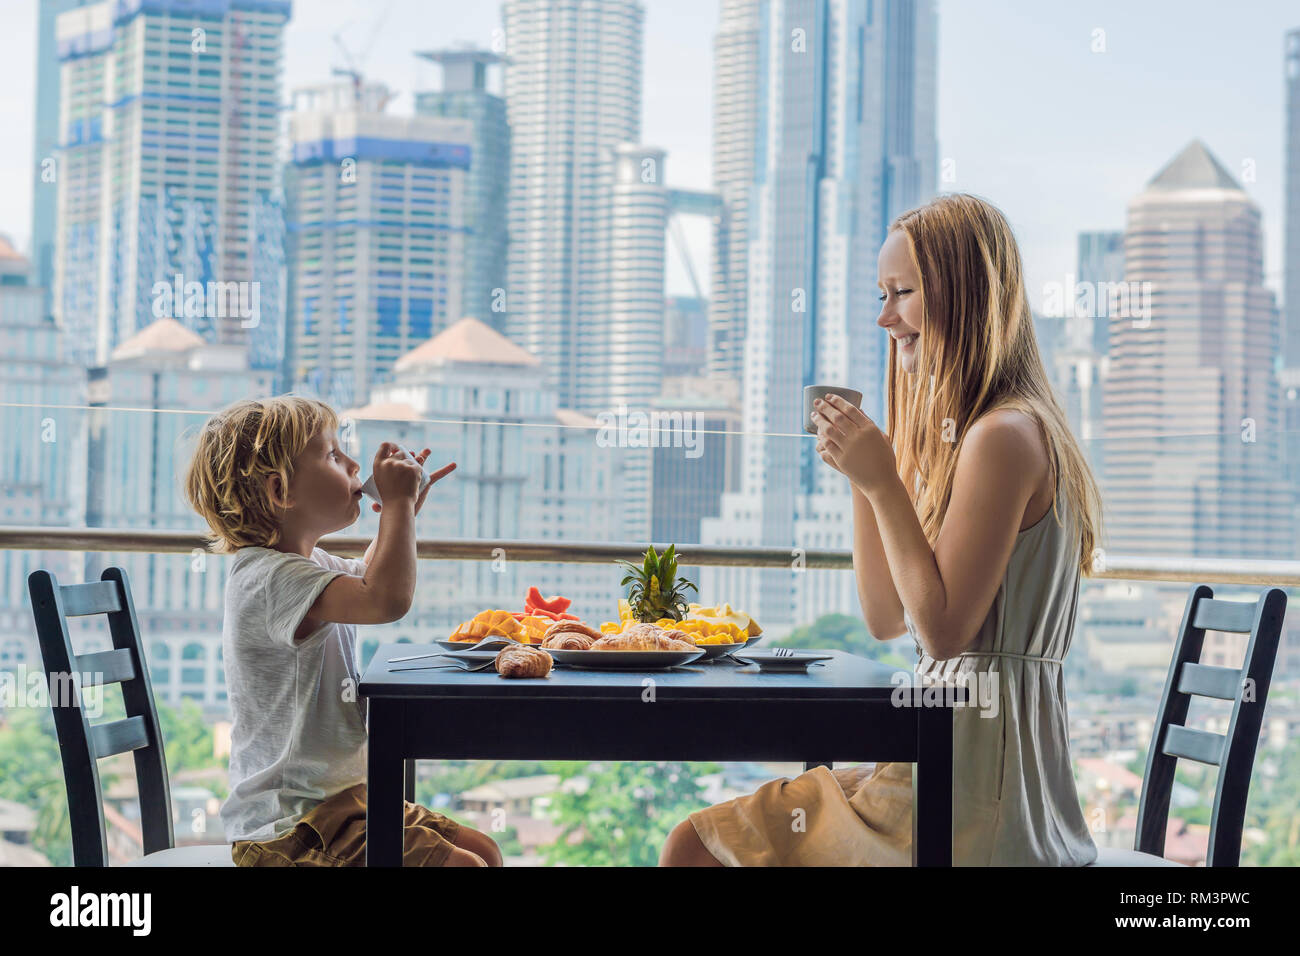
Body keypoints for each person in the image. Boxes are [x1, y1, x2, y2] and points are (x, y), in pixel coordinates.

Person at [660, 193, 1104, 866]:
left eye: (901, 292)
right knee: (715, 835)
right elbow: (886, 618)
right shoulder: (1003, 431)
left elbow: (943, 631)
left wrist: (882, 482)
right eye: (880, 293)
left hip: (972, 797)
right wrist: (870, 478)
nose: (884, 315)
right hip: (963, 766)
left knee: (693, 848)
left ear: (964, 297)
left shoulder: (1002, 437)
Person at [184, 396, 502, 866]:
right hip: (289, 827)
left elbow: (371, 575)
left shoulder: (303, 566)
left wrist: (405, 511)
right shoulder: (269, 579)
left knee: (484, 851)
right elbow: (384, 598)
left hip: (340, 804)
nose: (354, 463)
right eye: (333, 455)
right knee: (464, 866)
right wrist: (394, 505)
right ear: (281, 491)